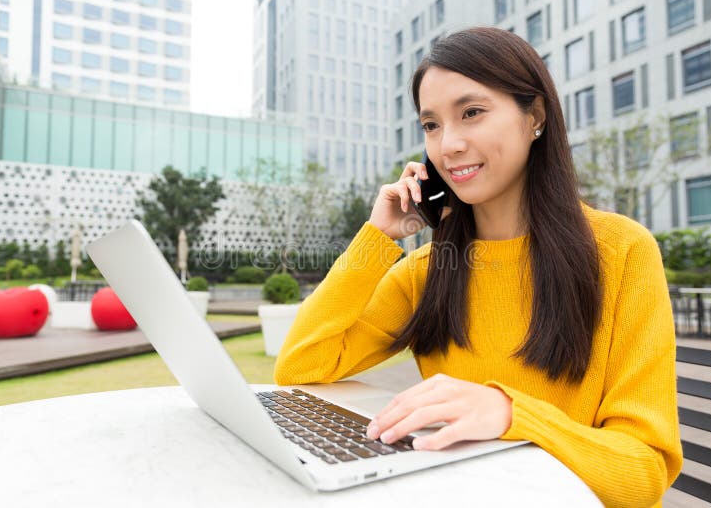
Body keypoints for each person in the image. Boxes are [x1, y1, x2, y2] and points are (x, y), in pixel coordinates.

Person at [274, 26, 682, 507]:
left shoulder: (621, 250)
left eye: (471, 113)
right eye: (431, 125)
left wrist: (512, 414)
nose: (448, 146)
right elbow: (301, 366)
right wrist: (377, 238)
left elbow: (644, 471)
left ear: (536, 116)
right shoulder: (428, 270)